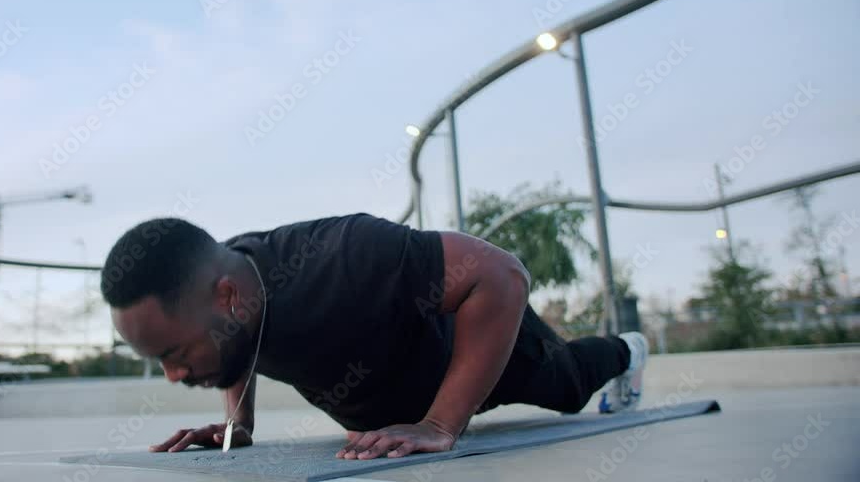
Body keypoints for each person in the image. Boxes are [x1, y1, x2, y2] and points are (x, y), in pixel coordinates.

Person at [101, 212, 648, 461]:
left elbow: (502, 276)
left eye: (174, 355)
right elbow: (238, 341)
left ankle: (630, 349)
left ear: (227, 300)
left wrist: (439, 424)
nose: (174, 376)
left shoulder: (347, 253)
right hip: (394, 400)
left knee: (570, 385)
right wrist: (236, 425)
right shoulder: (233, 293)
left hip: (483, 358)